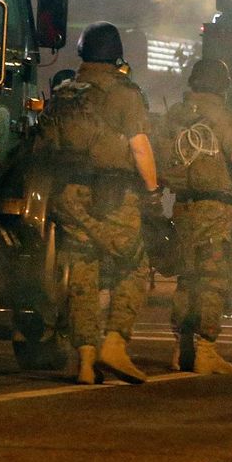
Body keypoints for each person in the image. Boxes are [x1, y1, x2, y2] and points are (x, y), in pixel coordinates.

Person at [41, 22, 158, 385]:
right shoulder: (125, 94)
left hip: (70, 195)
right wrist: (152, 189)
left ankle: (85, 360)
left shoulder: (64, 93)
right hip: (113, 196)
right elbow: (139, 147)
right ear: (116, 54)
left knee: (82, 276)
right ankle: (115, 344)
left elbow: (44, 145)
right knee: (134, 265)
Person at [159, 59, 232, 374]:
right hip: (215, 208)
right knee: (212, 277)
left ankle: (181, 347)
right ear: (222, 85)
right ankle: (205, 349)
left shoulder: (175, 114)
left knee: (186, 277)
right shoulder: (223, 116)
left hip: (183, 206)